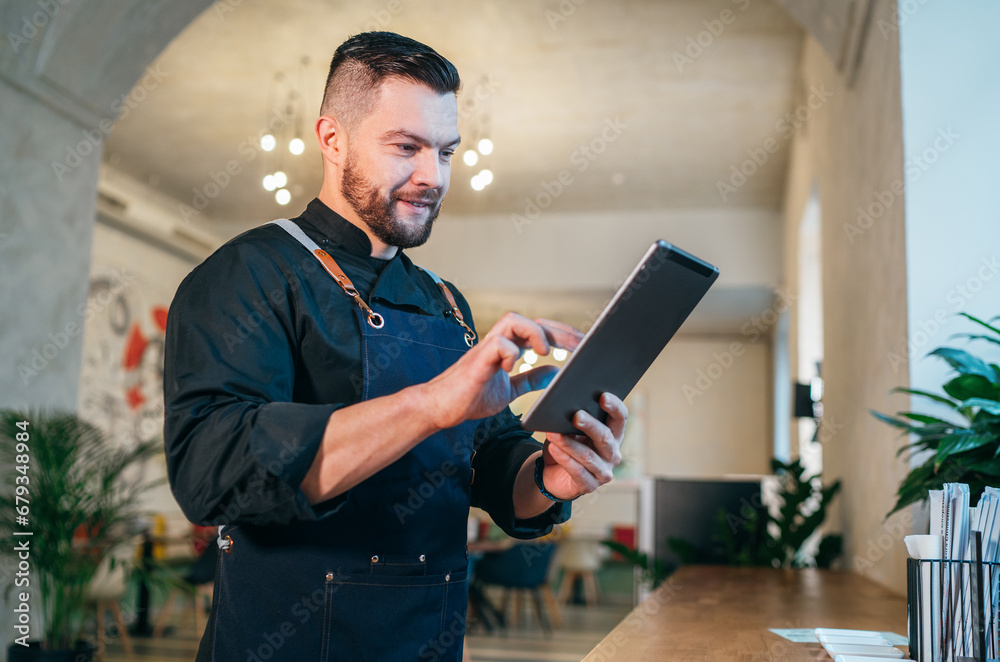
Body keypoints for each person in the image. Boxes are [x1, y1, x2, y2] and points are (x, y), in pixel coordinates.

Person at [163, 31, 627, 662]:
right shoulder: (249, 274)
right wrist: (430, 404)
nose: (432, 176)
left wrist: (549, 477)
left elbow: (488, 463)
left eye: (446, 151)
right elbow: (211, 470)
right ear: (332, 139)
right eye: (406, 147)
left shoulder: (444, 301)